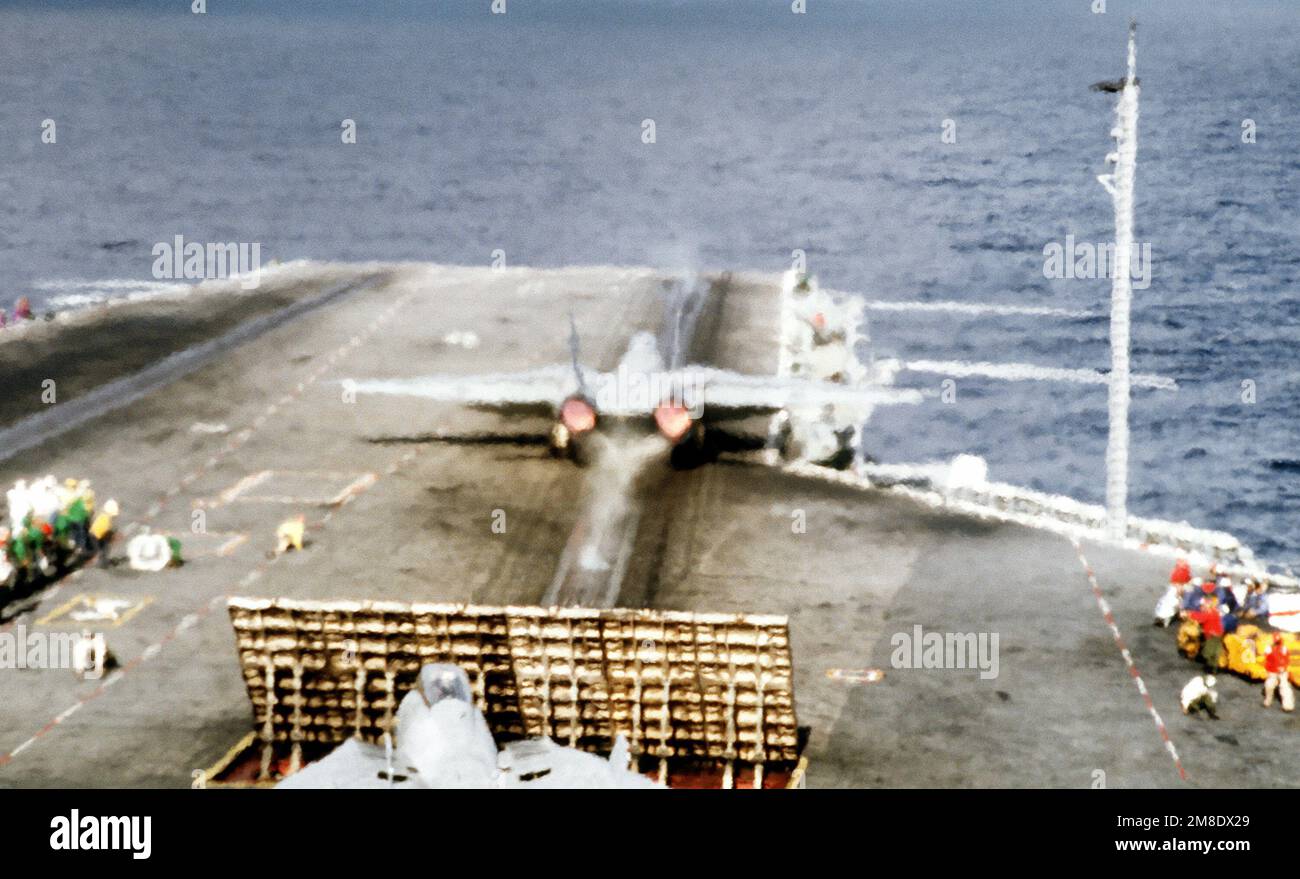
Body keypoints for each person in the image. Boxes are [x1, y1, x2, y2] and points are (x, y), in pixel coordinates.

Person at [1189, 592, 1225, 670]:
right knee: (1214, 650)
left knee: (1210, 652)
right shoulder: (1214, 611)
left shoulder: (1211, 612)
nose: (1203, 606)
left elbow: (1202, 618)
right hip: (1215, 634)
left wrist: (1190, 614)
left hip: (1213, 635)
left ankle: (1211, 668)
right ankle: (1211, 666)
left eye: (1205, 604)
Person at [1263, 633, 1294, 712]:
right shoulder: (1268, 648)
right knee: (1269, 685)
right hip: (1272, 671)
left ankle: (1288, 705)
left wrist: (1283, 666)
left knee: (1284, 686)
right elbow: (1266, 658)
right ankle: (1268, 700)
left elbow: (1287, 659)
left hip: (1282, 671)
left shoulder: (1284, 648)